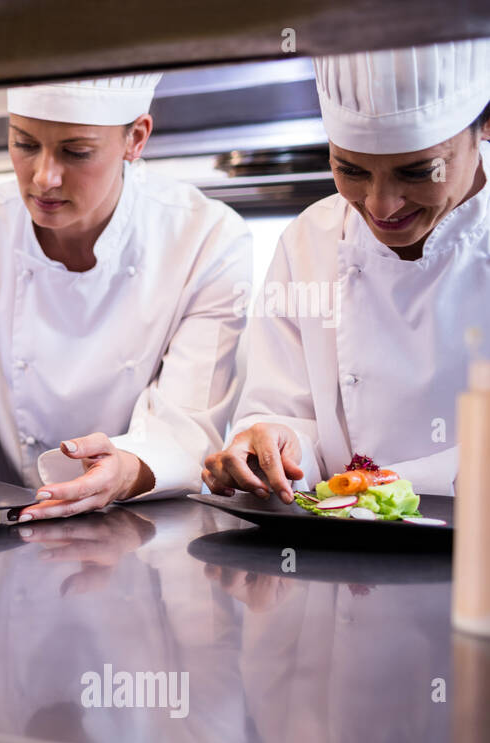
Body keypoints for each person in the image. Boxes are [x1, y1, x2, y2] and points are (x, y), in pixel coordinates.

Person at [0, 75, 251, 521]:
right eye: (24, 144)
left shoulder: (206, 239)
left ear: (136, 138)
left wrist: (124, 471)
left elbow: (187, 425)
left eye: (76, 152)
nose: (44, 177)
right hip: (11, 530)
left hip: (147, 527)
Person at [204, 39, 490, 499]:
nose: (380, 205)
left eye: (417, 173)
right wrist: (272, 444)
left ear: (484, 127)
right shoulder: (309, 238)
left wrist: (392, 484)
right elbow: (286, 413)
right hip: (342, 542)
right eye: (351, 170)